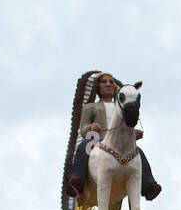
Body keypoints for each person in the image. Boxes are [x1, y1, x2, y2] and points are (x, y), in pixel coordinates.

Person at [66, 72, 161, 201]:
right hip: (98, 141)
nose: (108, 84)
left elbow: (126, 127)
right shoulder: (91, 107)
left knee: (139, 153)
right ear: (97, 87)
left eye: (111, 82)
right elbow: (83, 129)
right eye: (104, 82)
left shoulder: (121, 108)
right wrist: (91, 127)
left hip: (119, 143)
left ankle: (148, 185)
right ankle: (77, 179)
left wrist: (134, 133)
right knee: (83, 147)